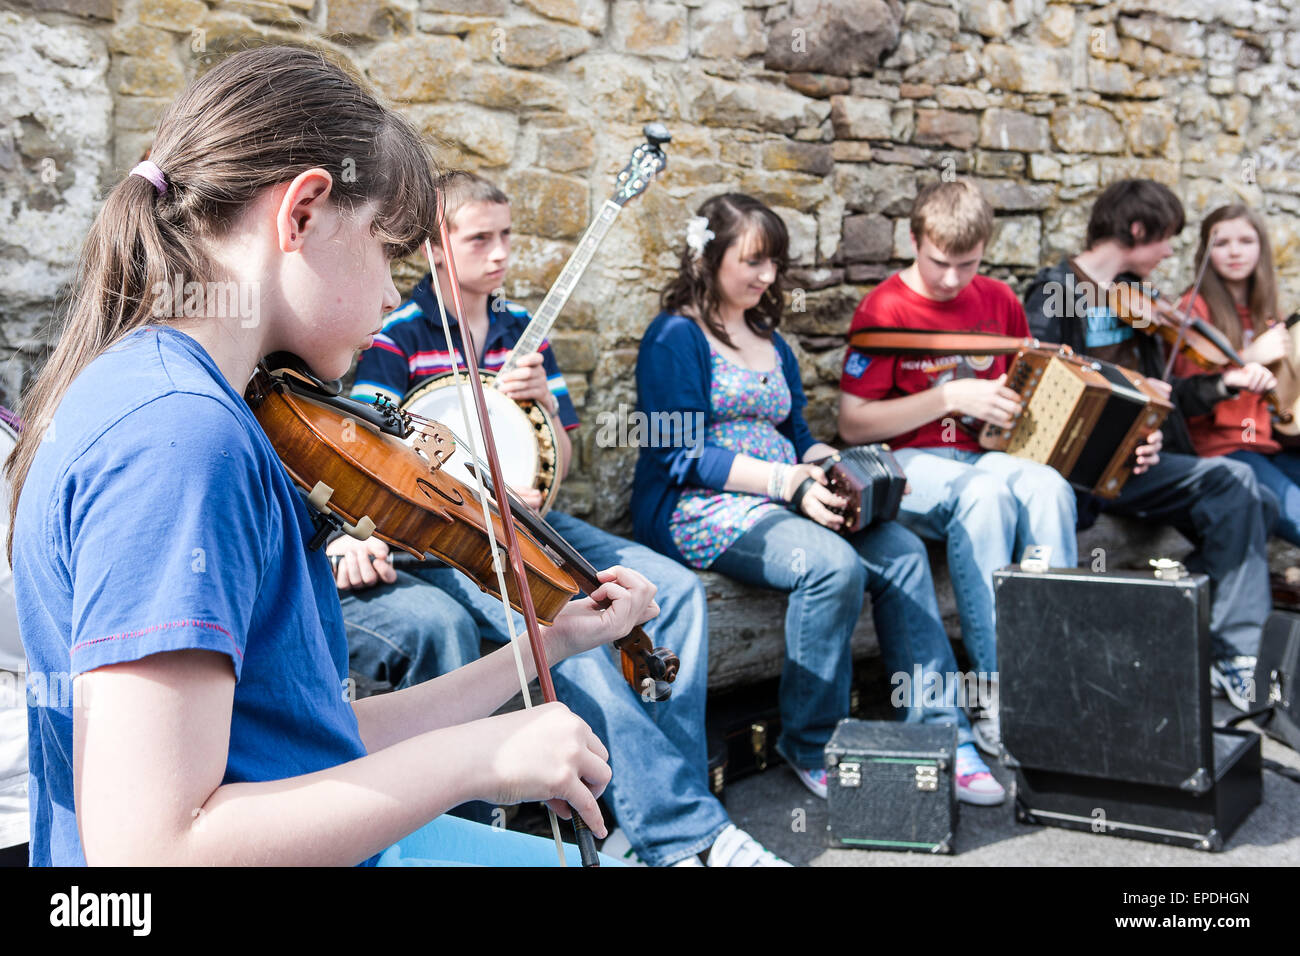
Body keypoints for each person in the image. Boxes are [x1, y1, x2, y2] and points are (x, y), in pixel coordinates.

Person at [5, 46, 661, 867]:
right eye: (388, 249)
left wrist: (542, 649)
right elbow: (151, 852)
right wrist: (479, 760)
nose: (391, 294)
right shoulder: (180, 438)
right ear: (303, 212)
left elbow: (303, 740)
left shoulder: (174, 396)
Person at [339, 172, 785, 866]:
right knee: (574, 637)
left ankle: (662, 805)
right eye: (479, 239)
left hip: (536, 519)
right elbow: (372, 452)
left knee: (675, 593)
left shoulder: (522, 330)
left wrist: (542, 408)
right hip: (458, 537)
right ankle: (687, 836)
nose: (500, 253)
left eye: (506, 235)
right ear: (435, 246)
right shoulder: (398, 335)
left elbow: (563, 455)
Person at [634, 192, 1005, 806]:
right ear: (708, 257)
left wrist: (840, 467)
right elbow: (679, 454)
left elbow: (797, 435)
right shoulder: (674, 337)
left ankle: (942, 728)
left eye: (774, 262)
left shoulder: (768, 338)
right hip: (702, 506)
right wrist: (788, 483)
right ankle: (812, 743)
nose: (768, 276)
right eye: (753, 261)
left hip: (789, 493)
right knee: (830, 565)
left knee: (902, 550)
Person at [837, 180, 1079, 758]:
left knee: (1050, 488)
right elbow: (853, 424)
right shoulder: (884, 307)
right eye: (938, 262)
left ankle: (1051, 678)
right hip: (910, 460)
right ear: (914, 241)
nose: (951, 279)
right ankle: (997, 692)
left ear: (985, 250)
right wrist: (949, 398)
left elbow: (1023, 398)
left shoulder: (999, 300)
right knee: (985, 495)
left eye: (966, 264)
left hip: (989, 454)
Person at [1022, 179, 1274, 712]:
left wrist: (1218, 386)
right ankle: (1193, 645)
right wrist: (1130, 410)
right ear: (1137, 229)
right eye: (1166, 238)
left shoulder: (1139, 300)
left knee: (1244, 489)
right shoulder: (1055, 292)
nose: (1170, 252)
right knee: (1242, 492)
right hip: (1078, 473)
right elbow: (1042, 392)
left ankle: (1228, 650)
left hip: (1142, 464)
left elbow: (1170, 393)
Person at [1172, 204, 1300, 545]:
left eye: (1245, 241)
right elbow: (1187, 392)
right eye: (1221, 243)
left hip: (1267, 444)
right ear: (1205, 251)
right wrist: (1249, 358)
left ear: (1261, 248)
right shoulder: (1193, 309)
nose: (1234, 252)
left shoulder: (1267, 311)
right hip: (1221, 449)